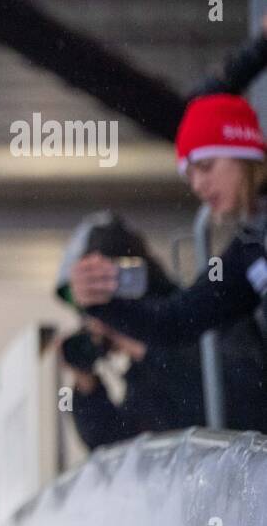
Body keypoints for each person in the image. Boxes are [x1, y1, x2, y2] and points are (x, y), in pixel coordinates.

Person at [70, 95, 267, 428]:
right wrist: (98, 303)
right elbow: (176, 320)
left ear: (243, 151)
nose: (199, 185)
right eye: (189, 175)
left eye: (206, 166)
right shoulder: (246, 254)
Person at [54, 214, 207, 449]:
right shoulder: (142, 376)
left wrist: (134, 343)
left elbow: (220, 391)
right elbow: (112, 446)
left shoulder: (202, 320)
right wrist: (87, 386)